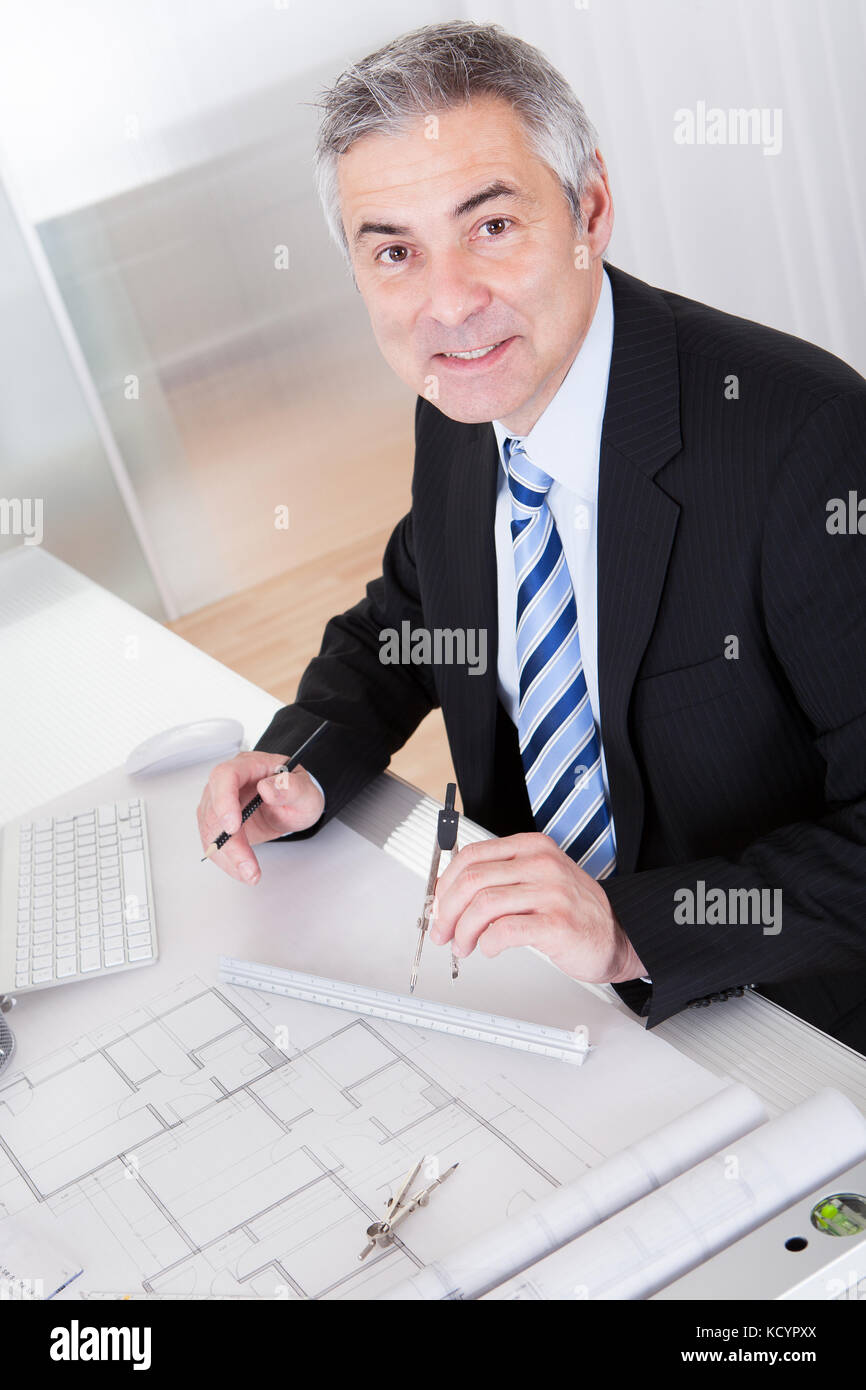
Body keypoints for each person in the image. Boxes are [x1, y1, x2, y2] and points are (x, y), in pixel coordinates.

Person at [197, 21, 866, 1052]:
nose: (449, 303)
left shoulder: (807, 443)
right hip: (542, 1003)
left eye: (491, 226)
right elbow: (413, 614)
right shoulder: (462, 404)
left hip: (779, 1021)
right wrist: (302, 759)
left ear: (585, 208)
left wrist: (627, 927)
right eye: (393, 251)